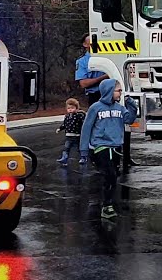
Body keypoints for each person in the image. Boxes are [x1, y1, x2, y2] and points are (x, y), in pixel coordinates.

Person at [80, 79, 139, 220]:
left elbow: (129, 119)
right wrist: (84, 151)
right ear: (108, 91)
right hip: (101, 147)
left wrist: (132, 106)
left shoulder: (119, 108)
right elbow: (86, 128)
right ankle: (107, 206)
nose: (120, 93)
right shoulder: (96, 108)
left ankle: (108, 202)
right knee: (109, 175)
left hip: (116, 147)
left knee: (113, 177)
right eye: (118, 90)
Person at [75, 34, 108, 106]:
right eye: (91, 39)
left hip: (111, 94)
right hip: (95, 96)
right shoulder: (82, 61)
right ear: (85, 44)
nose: (94, 41)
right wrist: (105, 76)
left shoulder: (108, 57)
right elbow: (83, 83)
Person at [57, 97, 86, 166]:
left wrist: (84, 132)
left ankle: (83, 157)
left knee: (79, 148)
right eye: (68, 108)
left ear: (76, 108)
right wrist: (60, 128)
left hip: (77, 135)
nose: (70, 110)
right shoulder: (67, 116)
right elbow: (65, 124)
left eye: (72, 108)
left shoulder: (79, 116)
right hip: (69, 135)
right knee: (66, 147)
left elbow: (83, 124)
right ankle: (64, 159)